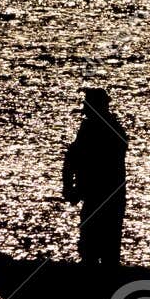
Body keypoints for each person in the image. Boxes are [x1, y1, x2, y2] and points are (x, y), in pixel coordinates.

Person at [61, 88, 128, 265]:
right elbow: (72, 160)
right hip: (106, 198)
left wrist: (71, 188)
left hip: (102, 199)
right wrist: (70, 187)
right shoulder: (108, 129)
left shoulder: (96, 130)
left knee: (98, 249)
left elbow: (72, 160)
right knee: (104, 250)